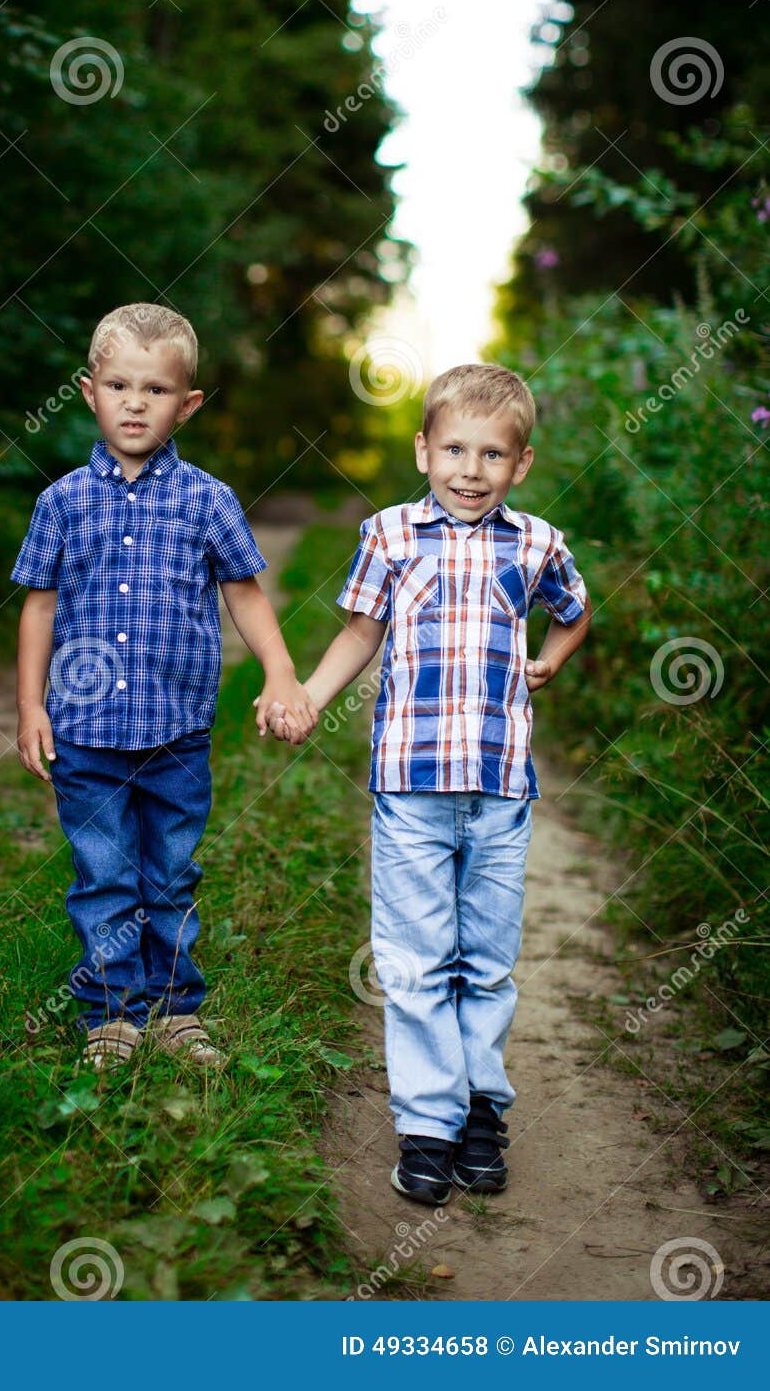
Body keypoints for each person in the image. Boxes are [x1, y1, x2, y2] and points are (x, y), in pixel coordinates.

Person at [266, 362, 592, 1203]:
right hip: (409, 785)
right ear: (422, 449)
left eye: (491, 455)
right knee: (414, 961)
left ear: (519, 464)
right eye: (453, 449)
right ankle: (426, 1123)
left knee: (483, 960)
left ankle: (481, 1107)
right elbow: (359, 631)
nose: (469, 470)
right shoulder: (387, 535)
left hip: (499, 788)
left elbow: (574, 606)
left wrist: (548, 658)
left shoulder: (537, 543)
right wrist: (306, 693)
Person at [11, 303, 316, 1070]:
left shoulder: (206, 500)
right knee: (105, 875)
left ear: (188, 404)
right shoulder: (61, 503)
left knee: (170, 873)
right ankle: (112, 1014)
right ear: (89, 391)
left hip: (177, 731)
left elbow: (245, 591)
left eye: (155, 389)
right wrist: (28, 706)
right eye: (119, 384)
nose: (135, 402)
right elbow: (38, 605)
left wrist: (280, 670)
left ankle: (178, 1009)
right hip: (85, 734)